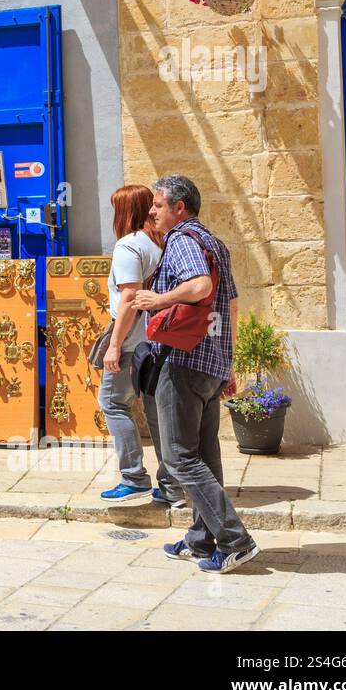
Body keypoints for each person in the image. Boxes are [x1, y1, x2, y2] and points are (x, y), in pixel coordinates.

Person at [126, 175, 257, 574]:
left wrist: (157, 298)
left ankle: (236, 540)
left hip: (183, 363)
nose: (151, 211)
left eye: (158, 204)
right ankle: (202, 539)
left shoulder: (183, 240)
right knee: (205, 455)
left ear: (179, 207)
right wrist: (228, 364)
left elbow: (199, 286)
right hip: (210, 363)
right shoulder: (213, 242)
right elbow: (230, 305)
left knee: (180, 458)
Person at [96, 185, 183, 507]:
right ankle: (172, 484)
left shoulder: (129, 246)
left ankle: (133, 478)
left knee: (113, 402)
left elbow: (129, 299)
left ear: (124, 211)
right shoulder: (160, 243)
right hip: (158, 341)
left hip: (134, 341)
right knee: (156, 411)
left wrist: (115, 345)